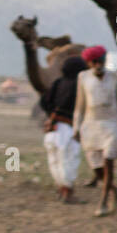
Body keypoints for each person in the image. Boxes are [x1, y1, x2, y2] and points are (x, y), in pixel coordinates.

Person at [72, 45, 117, 217]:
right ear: (89, 63)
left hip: (113, 125)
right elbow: (80, 106)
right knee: (97, 167)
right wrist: (76, 127)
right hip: (91, 126)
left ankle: (103, 202)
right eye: (94, 61)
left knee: (109, 162)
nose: (98, 64)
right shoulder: (83, 77)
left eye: (100, 60)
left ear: (104, 60)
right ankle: (114, 190)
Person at [40, 54, 87, 203]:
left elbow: (44, 101)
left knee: (54, 160)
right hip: (66, 128)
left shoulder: (58, 83)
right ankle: (68, 193)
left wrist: (51, 113)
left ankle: (61, 189)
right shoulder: (79, 86)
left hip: (52, 128)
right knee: (69, 160)